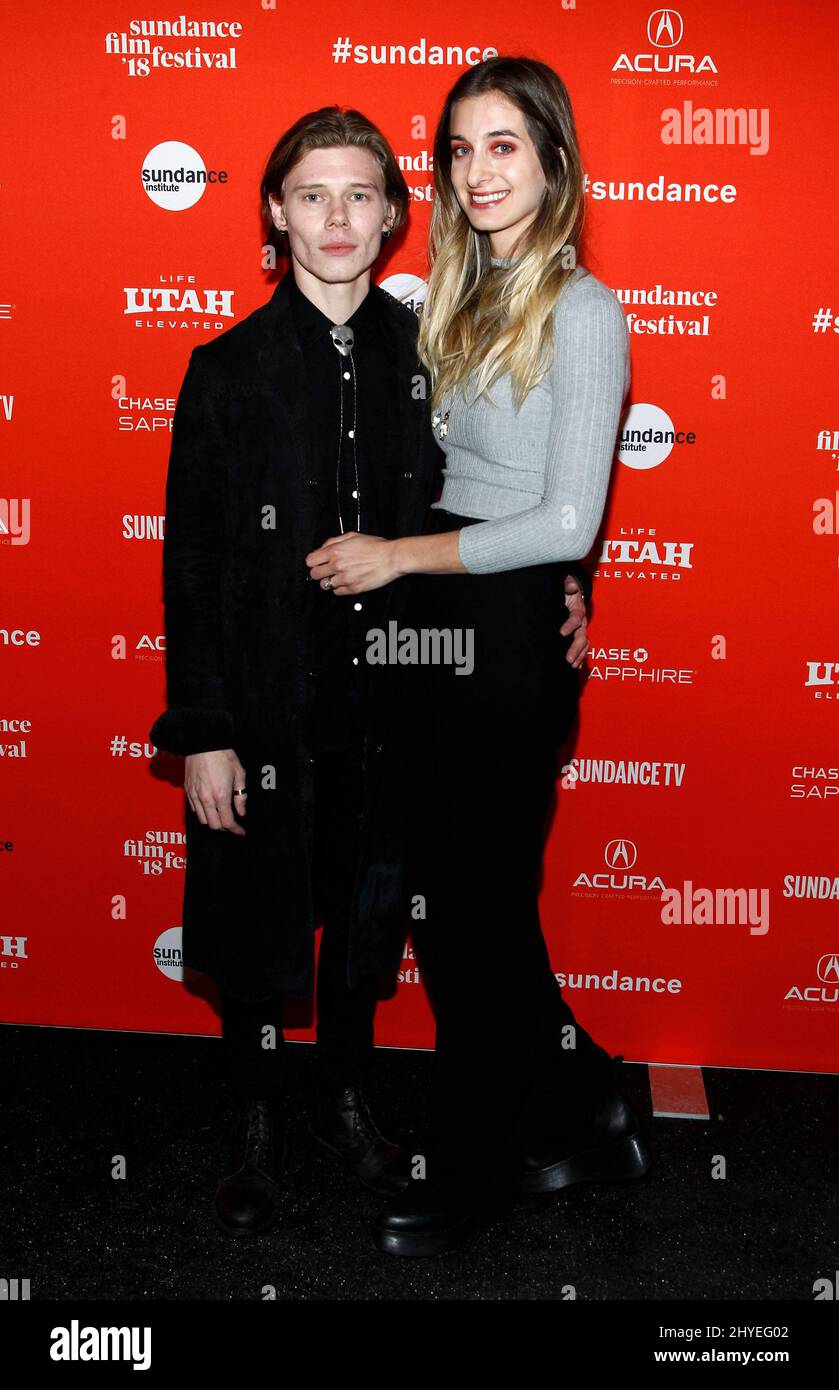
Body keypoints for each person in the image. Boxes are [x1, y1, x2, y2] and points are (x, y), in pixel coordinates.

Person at [148, 102, 593, 1241]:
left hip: (398, 698)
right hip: (259, 707)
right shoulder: (225, 369)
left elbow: (492, 499)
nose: (335, 217)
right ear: (272, 214)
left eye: (358, 194)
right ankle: (253, 1120)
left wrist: (560, 583)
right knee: (254, 929)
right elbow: (191, 562)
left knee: (360, 917)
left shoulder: (425, 355)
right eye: (310, 195)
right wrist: (201, 726)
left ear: (394, 215)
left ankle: (346, 1101)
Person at [304, 57, 650, 1258]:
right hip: (443, 615)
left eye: (502, 146)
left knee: (472, 904)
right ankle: (586, 1097)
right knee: (469, 900)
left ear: (552, 159)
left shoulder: (583, 307)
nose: (476, 171)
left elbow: (568, 522)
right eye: (458, 149)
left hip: (495, 624)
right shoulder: (449, 291)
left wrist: (405, 560)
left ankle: (480, 1157)